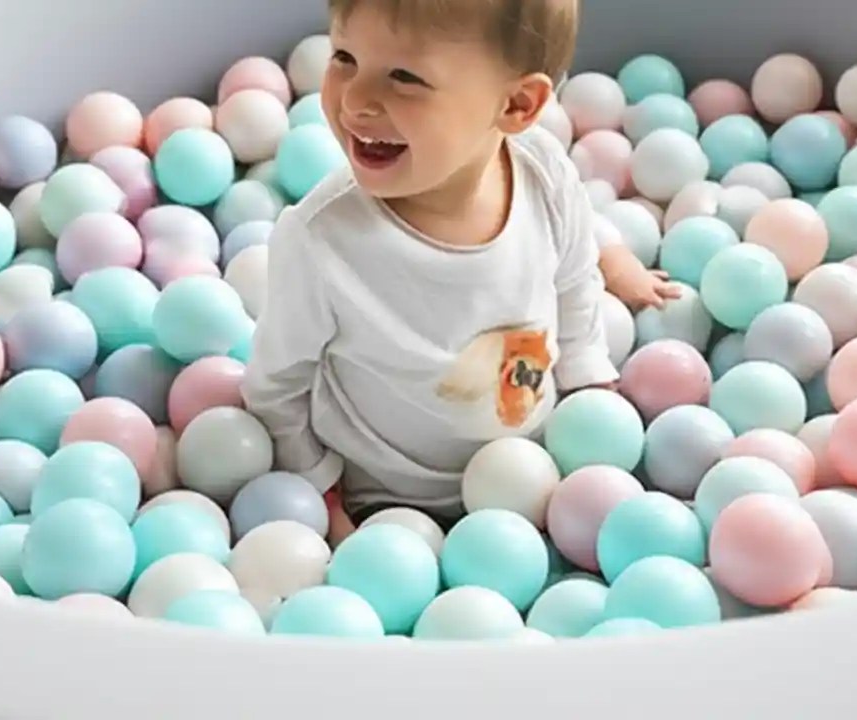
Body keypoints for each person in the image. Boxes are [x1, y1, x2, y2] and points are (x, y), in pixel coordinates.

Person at [242, 0, 674, 543]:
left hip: (538, 474)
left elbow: (572, 278)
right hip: (385, 500)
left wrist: (588, 379)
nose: (354, 100)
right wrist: (320, 495)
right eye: (345, 57)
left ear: (517, 105)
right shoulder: (321, 241)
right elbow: (277, 385)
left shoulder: (544, 172)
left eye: (404, 77)